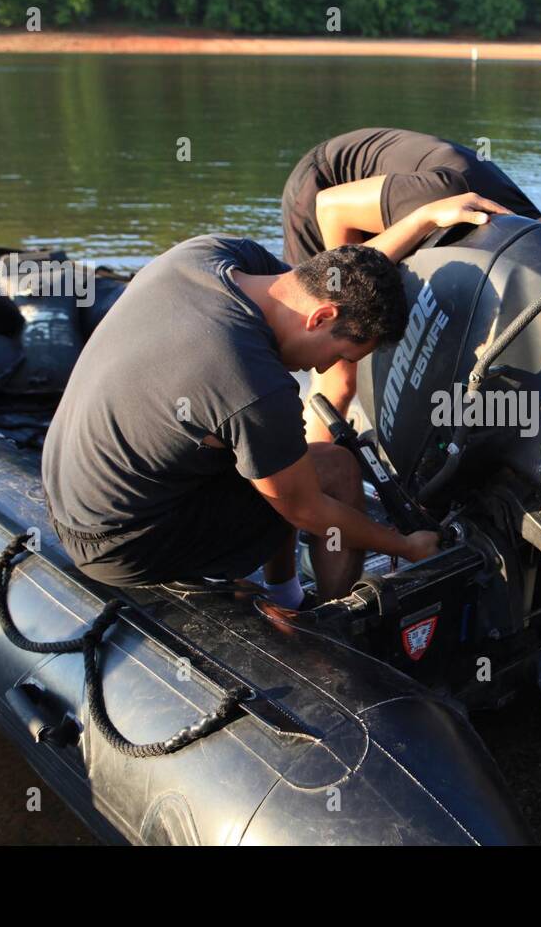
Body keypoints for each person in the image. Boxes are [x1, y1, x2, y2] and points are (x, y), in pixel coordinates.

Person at [41, 192, 509, 612]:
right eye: (340, 354)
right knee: (335, 471)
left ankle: (286, 595)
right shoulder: (251, 383)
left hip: (72, 496)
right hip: (119, 544)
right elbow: (305, 511)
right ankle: (337, 623)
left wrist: (423, 219)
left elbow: (328, 279)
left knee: (277, 455)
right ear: (322, 318)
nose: (325, 371)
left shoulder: (210, 255)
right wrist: (406, 546)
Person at [280, 127, 541, 442]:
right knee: (340, 377)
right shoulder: (450, 194)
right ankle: (311, 485)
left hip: (383, 209)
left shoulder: (537, 241)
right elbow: (331, 207)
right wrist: (345, 291)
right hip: (324, 192)